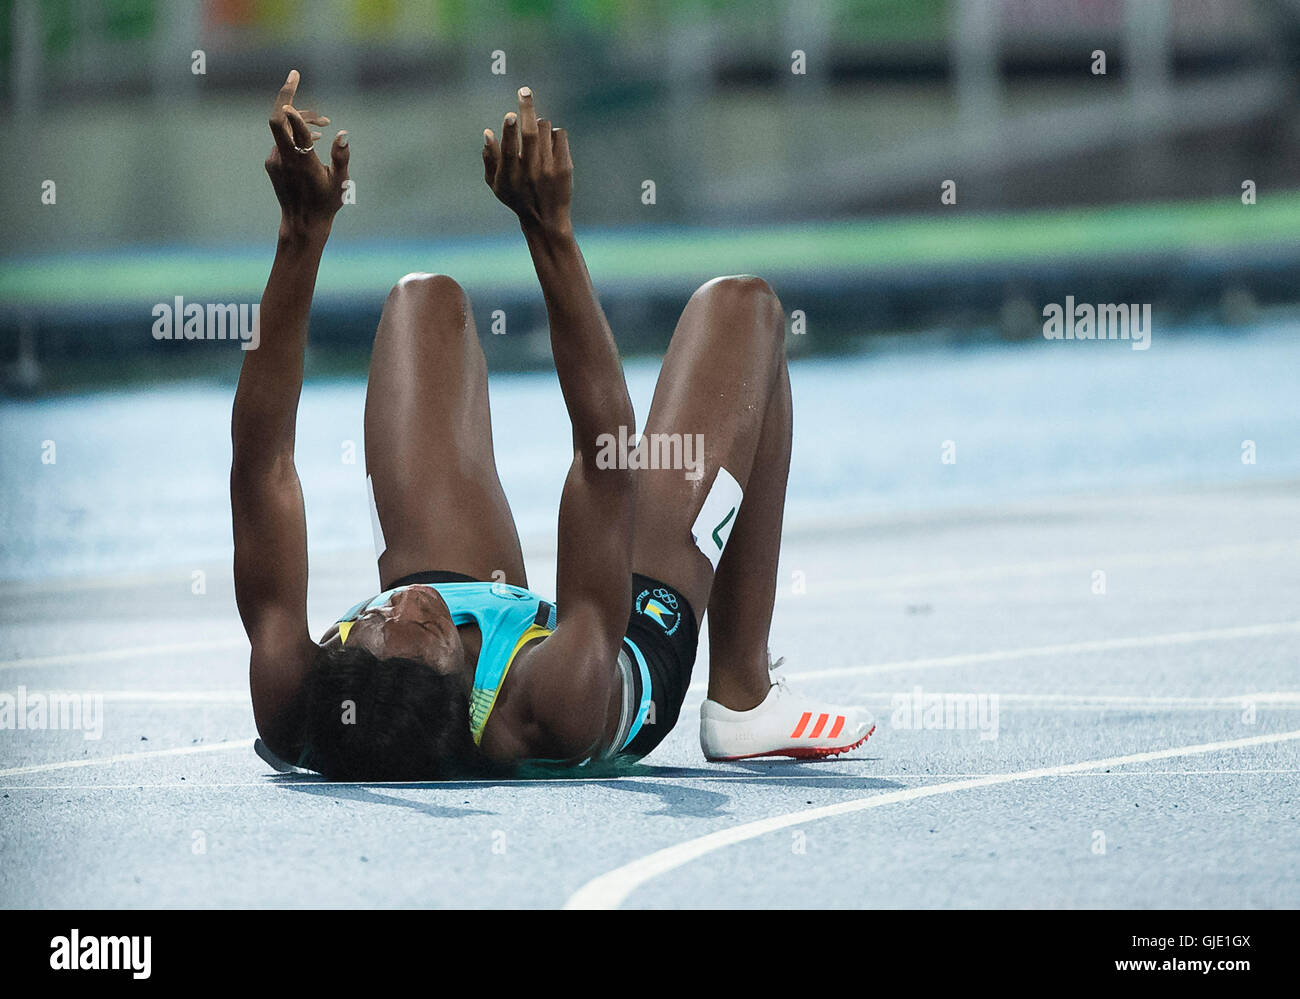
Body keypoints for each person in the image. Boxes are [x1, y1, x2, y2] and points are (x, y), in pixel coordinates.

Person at [232, 71, 874, 780]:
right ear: (463, 692)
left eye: (375, 622)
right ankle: (744, 692)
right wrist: (550, 230)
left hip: (482, 628)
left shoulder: (302, 698)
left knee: (423, 302)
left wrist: (298, 235)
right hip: (617, 643)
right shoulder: (554, 701)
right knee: (743, 310)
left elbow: (261, 466)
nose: (412, 600)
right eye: (424, 627)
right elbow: (605, 458)